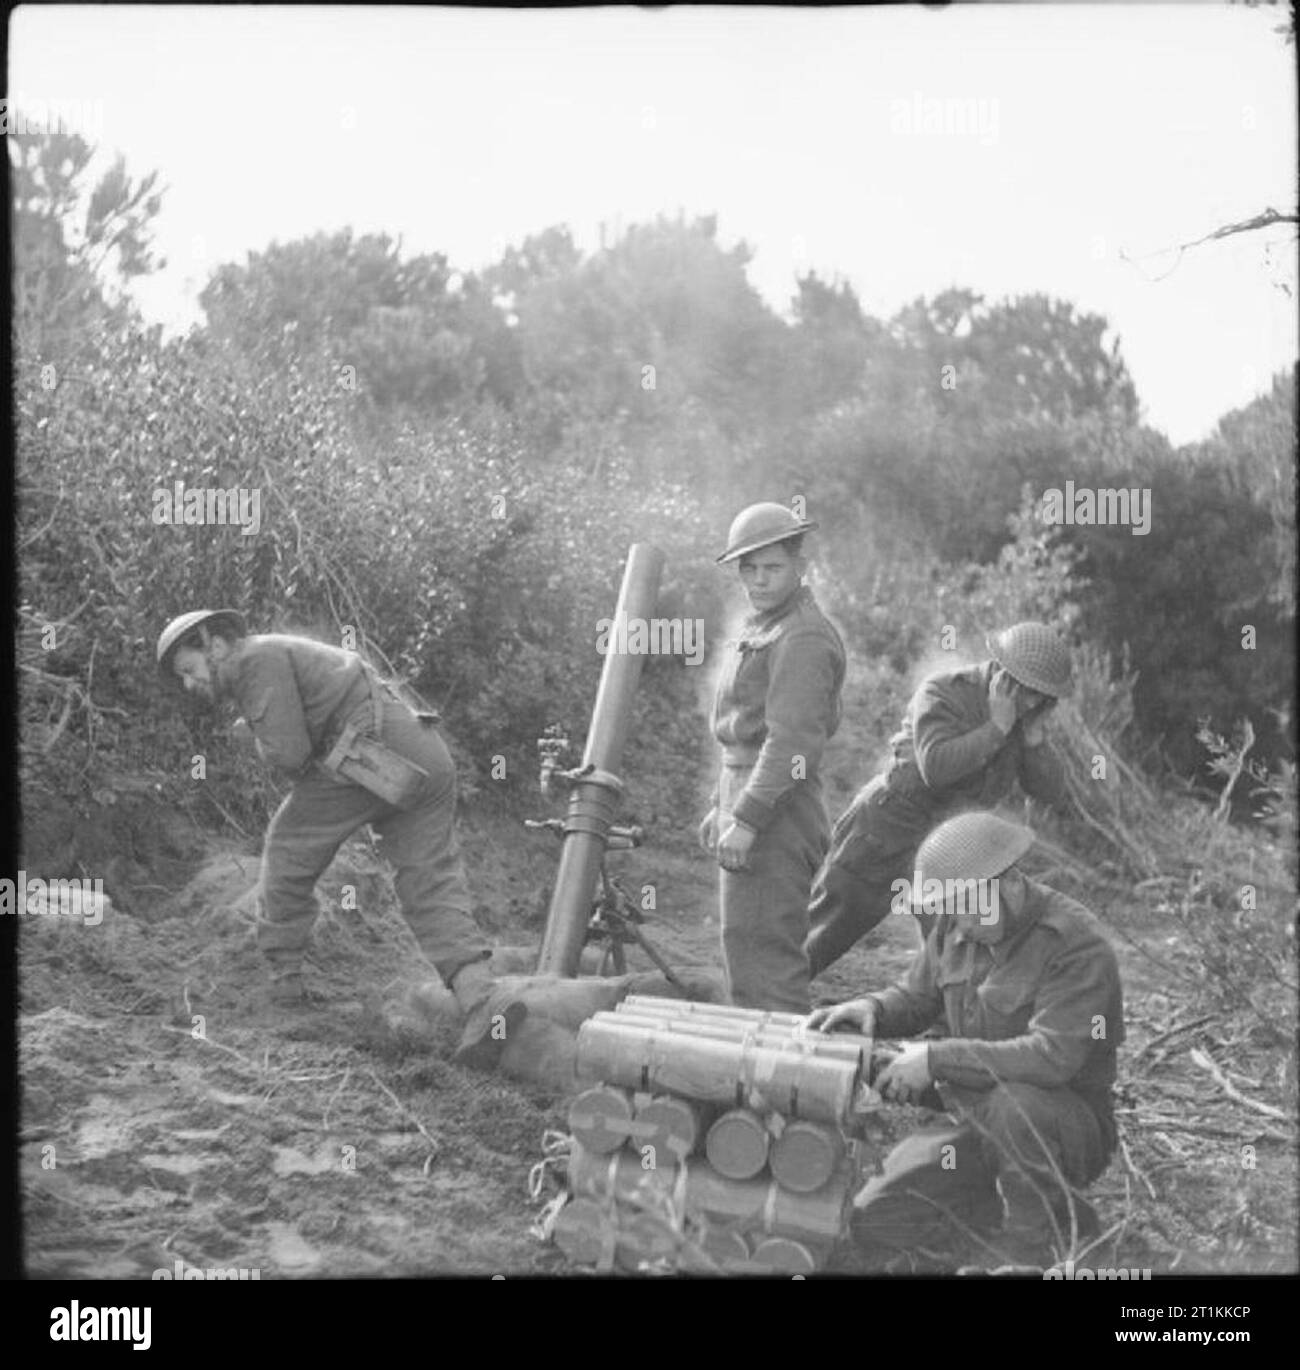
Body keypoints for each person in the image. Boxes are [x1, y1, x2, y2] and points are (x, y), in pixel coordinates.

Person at [156, 608, 524, 1069]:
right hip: (423, 755)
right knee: (428, 883)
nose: (191, 685)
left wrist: (252, 738)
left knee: (289, 847)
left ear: (214, 644)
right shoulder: (271, 656)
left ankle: (283, 982)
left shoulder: (255, 661)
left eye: (189, 671)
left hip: (370, 756)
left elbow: (291, 755)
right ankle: (482, 1003)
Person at [808, 811, 1124, 1271]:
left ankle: (1037, 1241)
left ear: (1010, 882)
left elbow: (1053, 1058)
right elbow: (916, 997)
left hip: (1061, 1124)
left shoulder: (1076, 945)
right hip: (971, 1115)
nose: (959, 924)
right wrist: (873, 1008)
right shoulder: (957, 923)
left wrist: (936, 1059)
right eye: (949, 909)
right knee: (877, 1220)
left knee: (1017, 1106)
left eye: (968, 907)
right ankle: (996, 1199)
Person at [804, 620, 1073, 975]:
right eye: (1025, 690)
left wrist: (1035, 740)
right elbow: (937, 768)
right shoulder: (945, 692)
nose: (1031, 702)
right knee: (824, 935)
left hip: (954, 845)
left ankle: (946, 1026)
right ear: (1002, 672)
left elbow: (1051, 793)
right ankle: (758, 1000)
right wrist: (996, 729)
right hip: (887, 830)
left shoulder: (1026, 717)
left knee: (957, 952)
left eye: (1040, 695)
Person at [701, 503, 846, 1013]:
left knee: (767, 963)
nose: (760, 580)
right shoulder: (765, 623)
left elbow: (790, 744)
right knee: (745, 952)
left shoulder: (801, 635)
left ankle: (790, 1083)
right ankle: (759, 1083)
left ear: (799, 567)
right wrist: (723, 804)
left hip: (779, 811)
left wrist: (745, 816)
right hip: (753, 796)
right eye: (750, 569)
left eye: (773, 568)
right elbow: (746, 734)